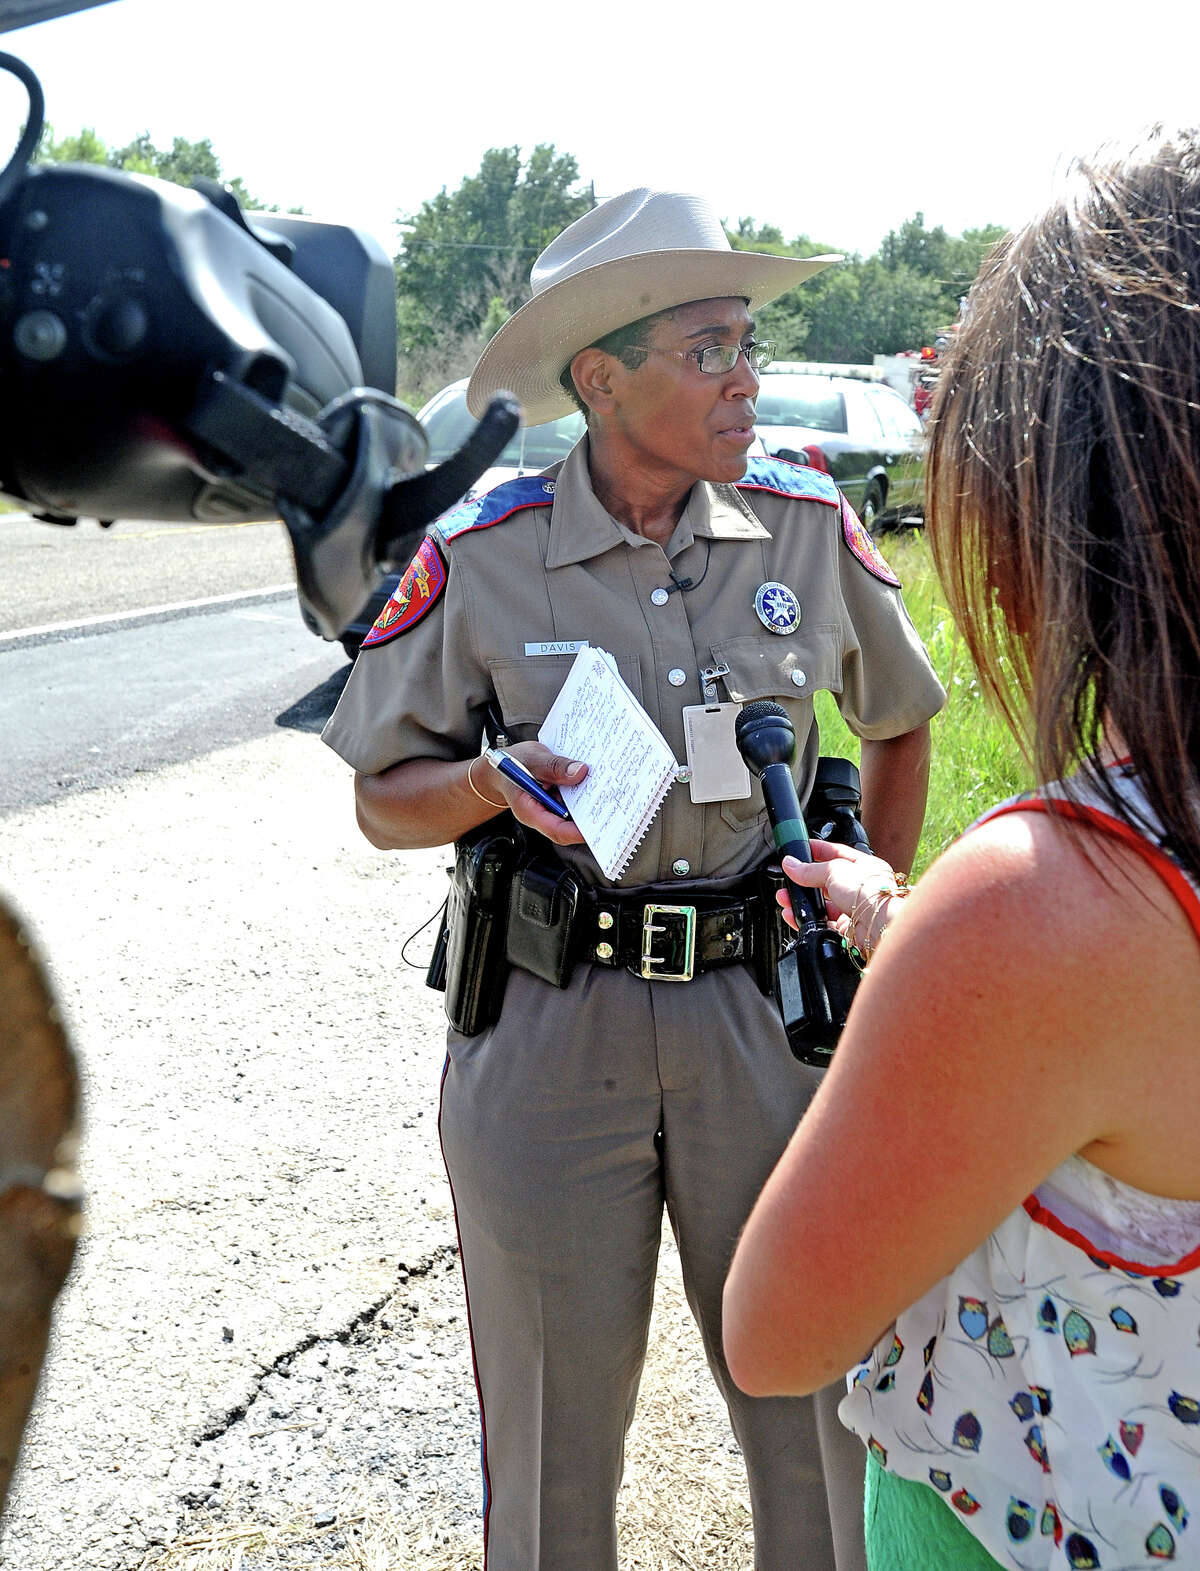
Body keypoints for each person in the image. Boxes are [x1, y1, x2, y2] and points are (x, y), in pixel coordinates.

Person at [323, 187, 945, 1571]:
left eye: (746, 343)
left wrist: (871, 889)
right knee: (550, 1441)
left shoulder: (799, 521)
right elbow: (381, 793)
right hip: (554, 1027)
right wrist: (490, 788)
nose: (747, 375)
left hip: (764, 1027)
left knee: (821, 1414)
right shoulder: (482, 556)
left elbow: (902, 717)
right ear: (601, 378)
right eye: (709, 348)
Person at [722, 133, 1200, 1571]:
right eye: (708, 349)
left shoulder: (1055, 904)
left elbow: (778, 1331)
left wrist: (945, 962)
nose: (740, 377)